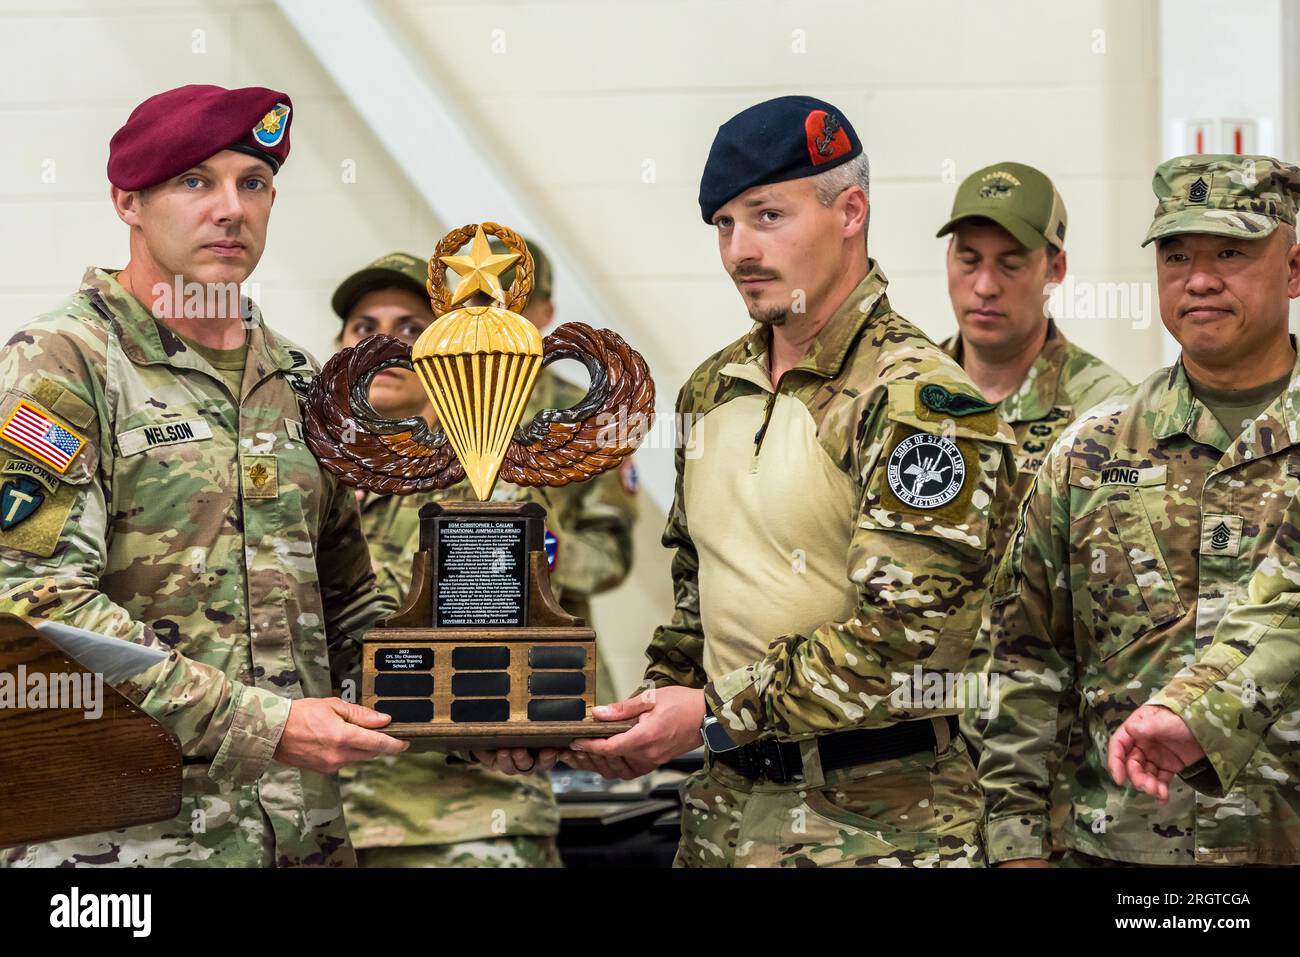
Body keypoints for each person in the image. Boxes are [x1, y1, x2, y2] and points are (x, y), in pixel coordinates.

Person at [488, 95, 1020, 868]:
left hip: (881, 825)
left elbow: (909, 640)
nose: (740, 249)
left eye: (768, 216)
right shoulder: (714, 388)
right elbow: (695, 603)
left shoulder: (917, 399)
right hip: (722, 820)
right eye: (724, 225)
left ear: (851, 210)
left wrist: (706, 711)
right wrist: (628, 721)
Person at [0, 84, 406, 868]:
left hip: (300, 837)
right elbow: (36, 601)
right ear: (128, 200)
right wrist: (267, 724)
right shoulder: (62, 363)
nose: (231, 208)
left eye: (253, 182)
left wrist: (474, 710)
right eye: (195, 180)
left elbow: (348, 596)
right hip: (121, 847)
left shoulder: (300, 377)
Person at [980, 154, 1300, 866]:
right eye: (1177, 254)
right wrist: (1017, 845)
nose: (1200, 277)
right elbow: (1025, 661)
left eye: (1231, 252)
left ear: (1295, 269)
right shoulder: (1089, 451)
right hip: (1125, 861)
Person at [334, 243, 636, 867]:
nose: (383, 345)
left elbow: (605, 556)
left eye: (410, 330)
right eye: (365, 328)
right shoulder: (304, 469)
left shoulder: (492, 474)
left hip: (464, 812)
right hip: (323, 812)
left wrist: (538, 563)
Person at [937, 162, 1128, 847]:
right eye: (968, 259)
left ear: (1056, 268)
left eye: (1012, 263)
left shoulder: (1108, 415)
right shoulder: (900, 397)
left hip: (1056, 780)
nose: (984, 286)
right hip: (916, 784)